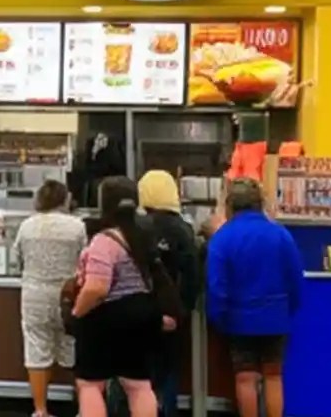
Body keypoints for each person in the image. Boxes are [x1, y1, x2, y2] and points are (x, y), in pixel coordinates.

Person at [207, 178, 304, 417]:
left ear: (229, 206)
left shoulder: (222, 239)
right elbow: (296, 279)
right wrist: (287, 309)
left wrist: (218, 318)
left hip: (239, 320)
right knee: (273, 375)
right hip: (276, 317)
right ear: (260, 203)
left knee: (245, 378)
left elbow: (217, 287)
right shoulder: (281, 235)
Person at [71, 176, 161, 417]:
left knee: (90, 384)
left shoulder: (105, 240)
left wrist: (77, 312)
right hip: (142, 315)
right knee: (138, 386)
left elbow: (97, 288)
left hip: (107, 319)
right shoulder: (145, 234)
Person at [13, 179, 86, 417]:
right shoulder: (77, 226)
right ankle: (85, 408)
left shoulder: (27, 226)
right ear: (65, 199)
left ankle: (40, 410)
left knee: (36, 350)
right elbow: (85, 260)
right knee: (75, 348)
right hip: (68, 295)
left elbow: (18, 260)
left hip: (34, 294)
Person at [137, 170, 200, 417]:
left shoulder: (137, 227)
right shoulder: (183, 230)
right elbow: (192, 274)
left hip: (140, 312)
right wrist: (183, 309)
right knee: (170, 371)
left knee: (139, 375)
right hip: (172, 314)